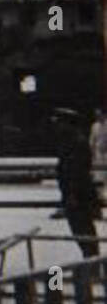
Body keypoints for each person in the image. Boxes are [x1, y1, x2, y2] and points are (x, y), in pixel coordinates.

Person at [53, 109, 101, 258]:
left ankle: (91, 263)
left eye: (60, 122)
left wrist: (72, 194)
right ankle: (91, 261)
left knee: (83, 230)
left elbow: (76, 172)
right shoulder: (71, 141)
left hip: (78, 195)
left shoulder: (76, 143)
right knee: (81, 231)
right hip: (74, 193)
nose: (58, 126)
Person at [90, 107, 107, 210]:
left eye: (99, 114)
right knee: (98, 180)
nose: (97, 116)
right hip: (98, 156)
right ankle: (100, 201)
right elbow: (92, 141)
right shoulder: (95, 126)